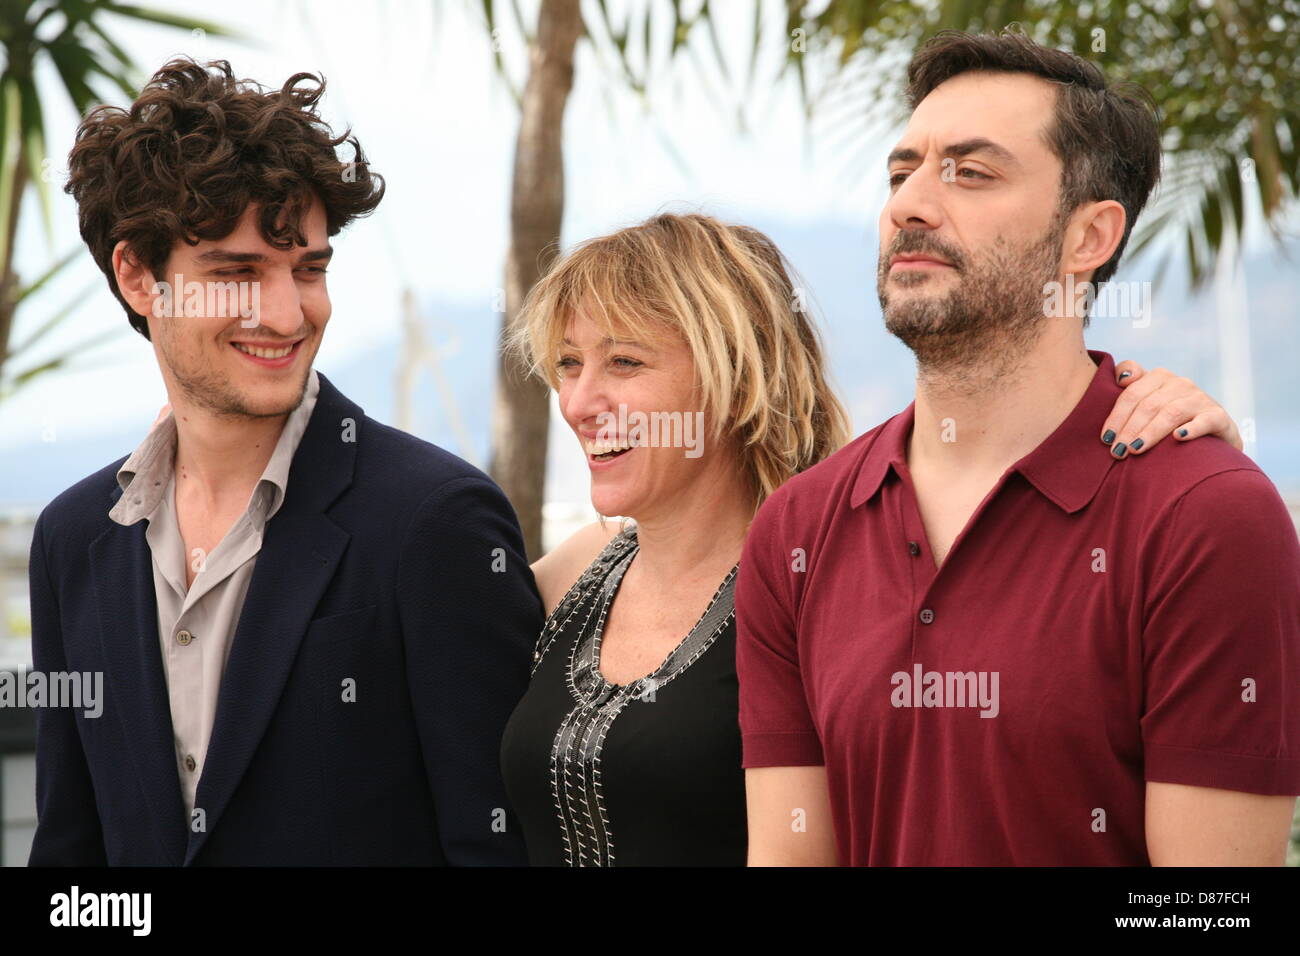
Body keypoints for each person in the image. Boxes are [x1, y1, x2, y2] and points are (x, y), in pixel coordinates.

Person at [499, 210, 1241, 866]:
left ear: (737, 373)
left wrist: (1190, 455)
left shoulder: (836, 566)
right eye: (568, 364)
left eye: (624, 361)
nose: (579, 401)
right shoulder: (576, 573)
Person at [738, 30, 1300, 866]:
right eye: (903, 173)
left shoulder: (1208, 519)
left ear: (1089, 238)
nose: (910, 205)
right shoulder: (798, 529)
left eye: (971, 171)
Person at [28, 59, 539, 865]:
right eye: (237, 273)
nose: (286, 312)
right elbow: (73, 859)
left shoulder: (434, 520)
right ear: (138, 277)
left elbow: (501, 848)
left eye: (309, 268)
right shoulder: (72, 540)